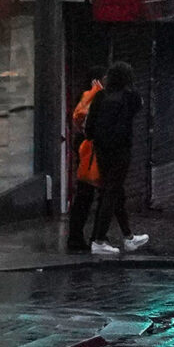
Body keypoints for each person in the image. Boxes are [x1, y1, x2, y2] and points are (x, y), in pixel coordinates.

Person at [85, 61, 148, 256]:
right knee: (111, 193)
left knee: (114, 191)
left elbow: (89, 129)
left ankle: (128, 237)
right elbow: (140, 104)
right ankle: (99, 240)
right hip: (120, 151)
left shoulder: (100, 97)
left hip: (102, 151)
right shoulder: (130, 97)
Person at [66, 68, 104, 252]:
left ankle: (78, 237)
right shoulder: (94, 94)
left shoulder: (86, 95)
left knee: (85, 196)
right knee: (87, 195)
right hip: (90, 149)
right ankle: (82, 238)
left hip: (85, 147)